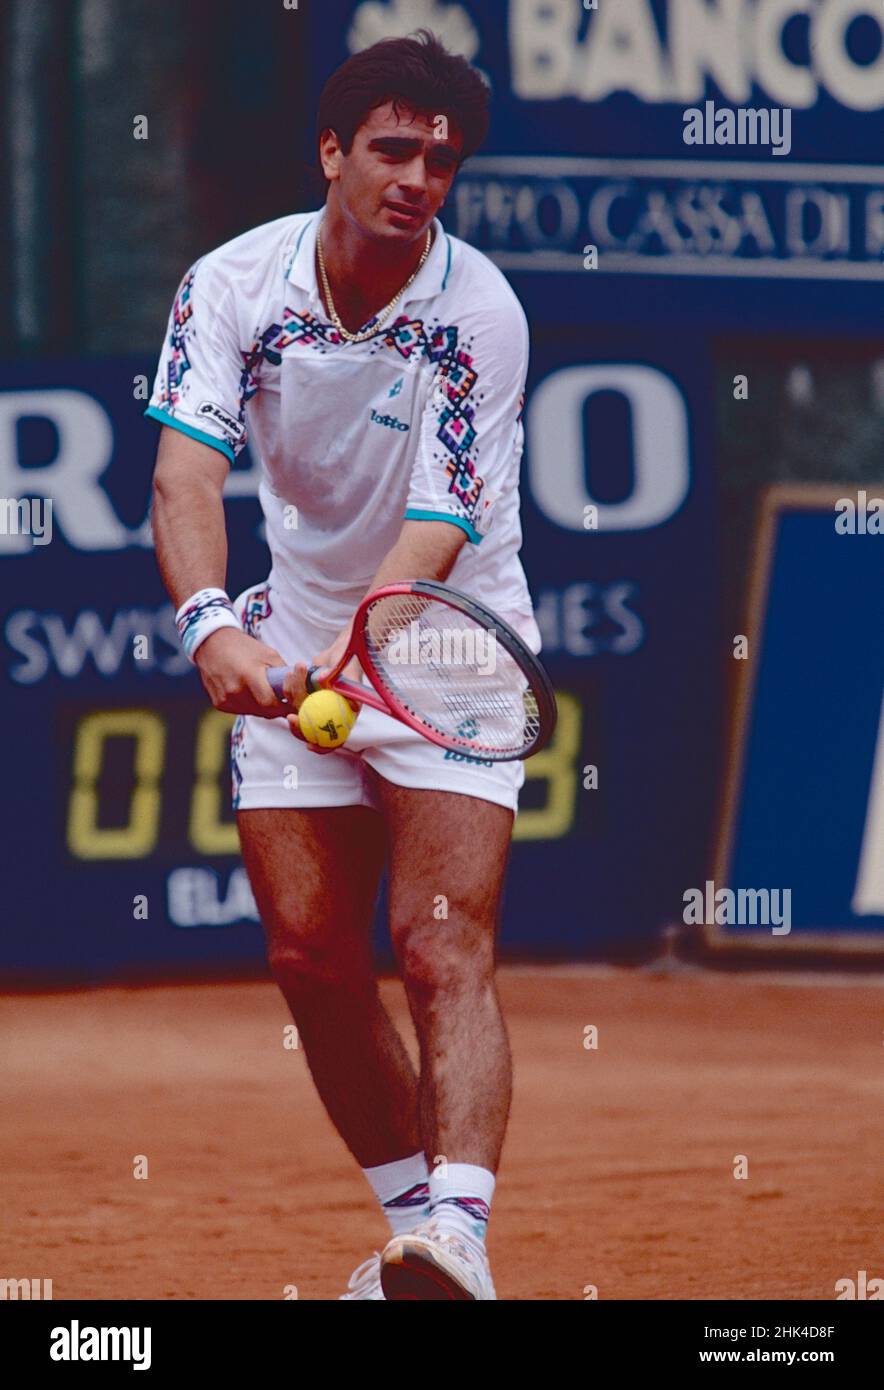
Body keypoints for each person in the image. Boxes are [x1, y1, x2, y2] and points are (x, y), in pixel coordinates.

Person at [147, 28, 541, 1301]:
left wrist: (364, 634)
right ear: (330, 151)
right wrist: (214, 621)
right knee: (311, 962)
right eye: (390, 149)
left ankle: (463, 1244)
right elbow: (183, 475)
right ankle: (409, 1230)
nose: (417, 177)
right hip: (297, 615)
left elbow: (444, 516)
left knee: (436, 944)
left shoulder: (478, 310)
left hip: (447, 644)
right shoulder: (228, 286)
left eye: (440, 158)